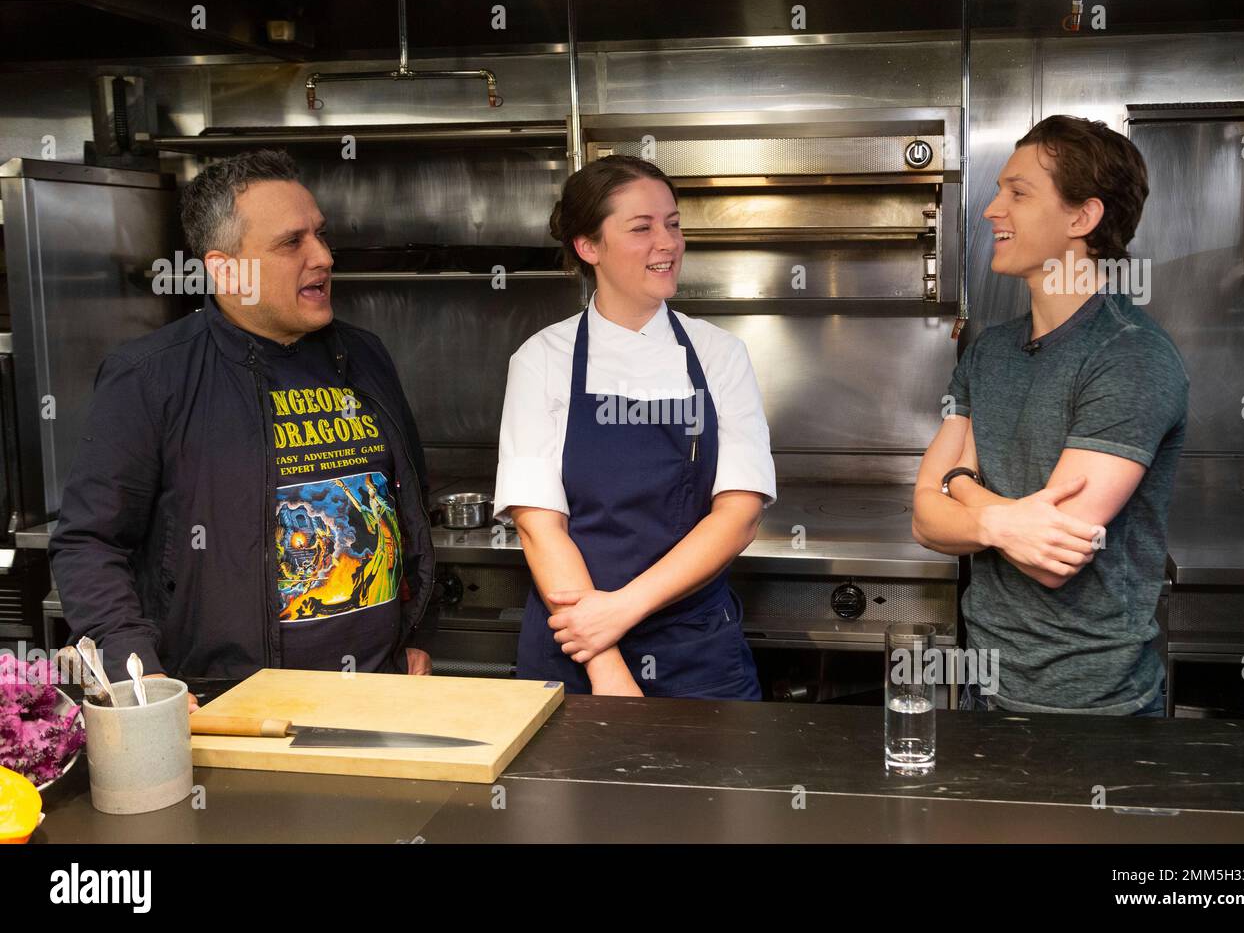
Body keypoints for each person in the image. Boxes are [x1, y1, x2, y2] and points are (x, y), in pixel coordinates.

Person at [48, 149, 435, 711]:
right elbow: (90, 541)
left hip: (380, 690)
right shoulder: (151, 376)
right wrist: (141, 678)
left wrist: (416, 634)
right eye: (290, 243)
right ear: (225, 268)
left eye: (320, 235)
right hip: (226, 704)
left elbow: (409, 506)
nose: (323, 257)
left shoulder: (365, 356)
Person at [911, 115, 1188, 716]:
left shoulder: (1131, 356)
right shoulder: (989, 351)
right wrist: (998, 521)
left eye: (1018, 192)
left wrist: (962, 486)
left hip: (1095, 708)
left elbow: (1053, 558)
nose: (991, 210)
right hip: (983, 687)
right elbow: (925, 520)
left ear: (1082, 218)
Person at [494, 155, 776, 698]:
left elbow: (739, 515)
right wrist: (605, 662)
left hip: (694, 646)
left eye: (673, 224)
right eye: (642, 228)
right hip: (575, 641)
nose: (667, 243)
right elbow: (538, 525)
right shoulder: (542, 358)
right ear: (588, 246)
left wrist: (621, 609)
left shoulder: (720, 355)